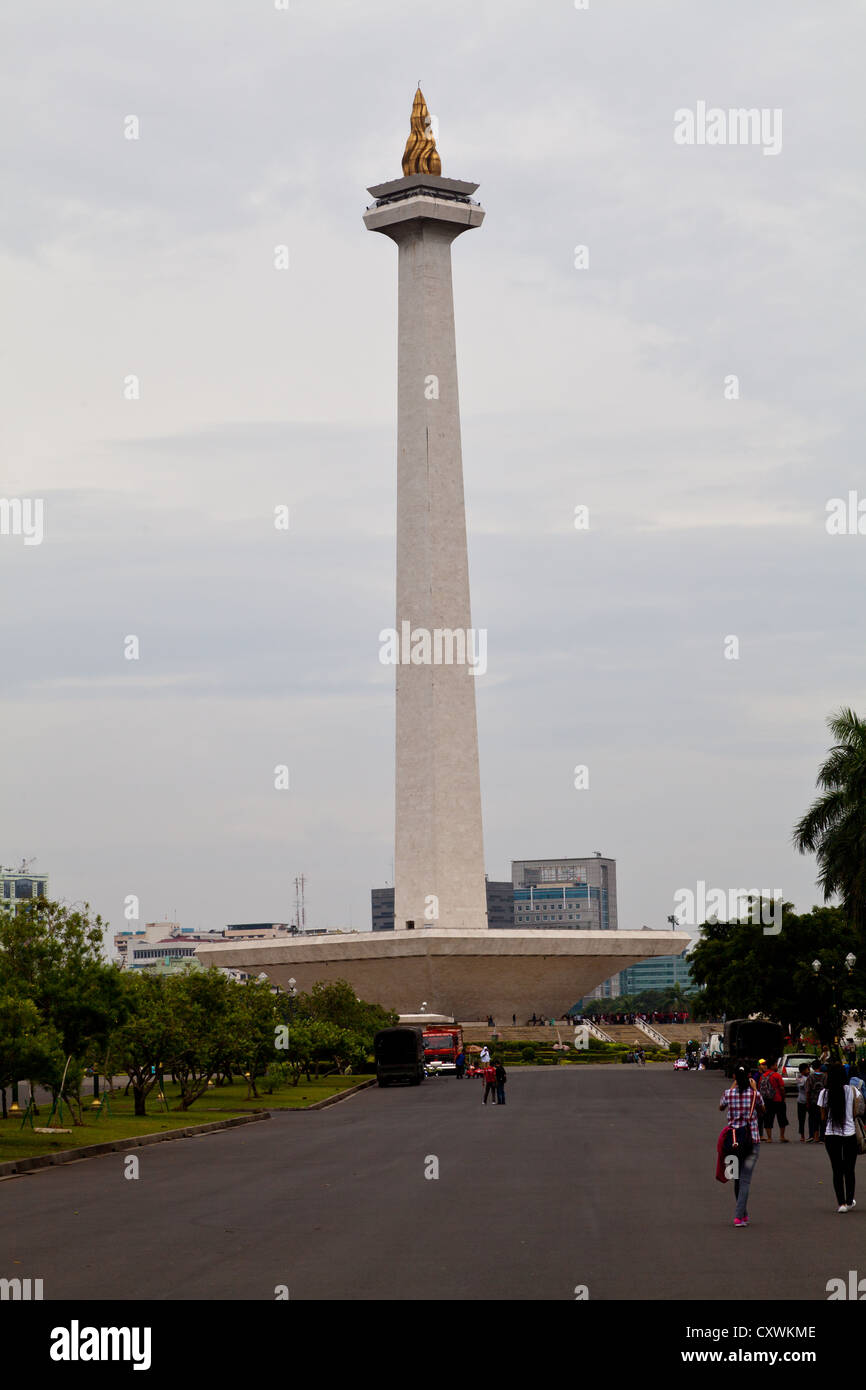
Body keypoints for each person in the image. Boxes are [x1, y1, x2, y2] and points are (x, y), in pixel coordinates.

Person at [719, 1066, 764, 1226]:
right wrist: (754, 1089)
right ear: (749, 1077)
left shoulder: (728, 1093)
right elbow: (763, 1109)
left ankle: (743, 1214)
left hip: (732, 1141)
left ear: (734, 1077)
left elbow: (721, 1106)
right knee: (745, 1179)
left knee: (736, 1178)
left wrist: (732, 1086)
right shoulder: (754, 1095)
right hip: (751, 1140)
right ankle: (739, 1216)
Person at [818, 1061, 862, 1212]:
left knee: (836, 1170)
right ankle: (850, 1201)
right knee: (849, 1169)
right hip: (849, 1134)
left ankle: (841, 1203)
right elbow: (859, 1110)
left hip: (831, 1134)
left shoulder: (824, 1093)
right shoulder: (852, 1090)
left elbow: (823, 1116)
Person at [758, 1059, 789, 1142]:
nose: (776, 1067)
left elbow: (760, 1088)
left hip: (767, 1100)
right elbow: (782, 1088)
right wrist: (784, 1097)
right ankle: (782, 1136)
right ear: (772, 1066)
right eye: (775, 1065)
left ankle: (769, 1138)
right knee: (782, 1118)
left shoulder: (763, 1076)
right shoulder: (777, 1075)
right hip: (778, 1099)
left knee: (768, 1118)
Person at [806, 1062, 825, 1142]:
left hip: (813, 1100)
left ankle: (815, 1137)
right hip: (823, 1100)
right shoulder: (825, 1076)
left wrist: (807, 1101)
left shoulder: (810, 1076)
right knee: (823, 1118)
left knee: (814, 1119)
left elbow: (808, 1090)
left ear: (813, 1068)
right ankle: (822, 1137)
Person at [796, 1063, 812, 1142]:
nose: (808, 1071)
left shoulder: (809, 1077)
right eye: (806, 1069)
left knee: (811, 1118)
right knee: (801, 1119)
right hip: (802, 1100)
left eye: (808, 1069)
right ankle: (802, 1135)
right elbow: (802, 1087)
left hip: (810, 1100)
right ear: (802, 1071)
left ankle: (811, 1134)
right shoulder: (800, 1078)